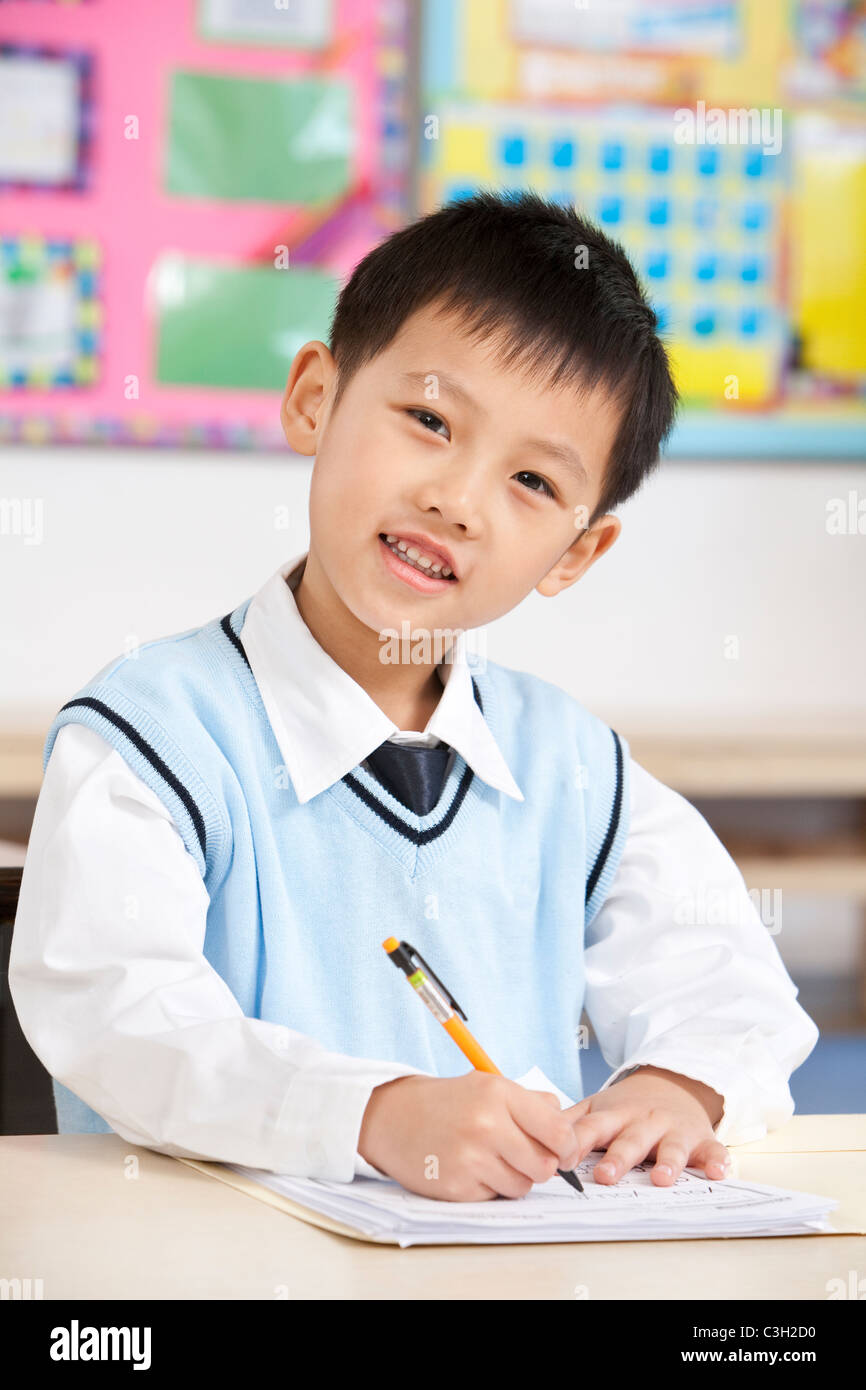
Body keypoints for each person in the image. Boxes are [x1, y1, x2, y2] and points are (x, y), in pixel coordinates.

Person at [10, 190, 817, 1202]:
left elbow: (728, 987)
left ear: (576, 551)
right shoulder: (152, 738)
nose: (457, 499)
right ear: (314, 396)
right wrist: (375, 1114)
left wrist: (672, 1085)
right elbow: (115, 1016)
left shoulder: (573, 768)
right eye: (429, 419)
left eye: (530, 482)